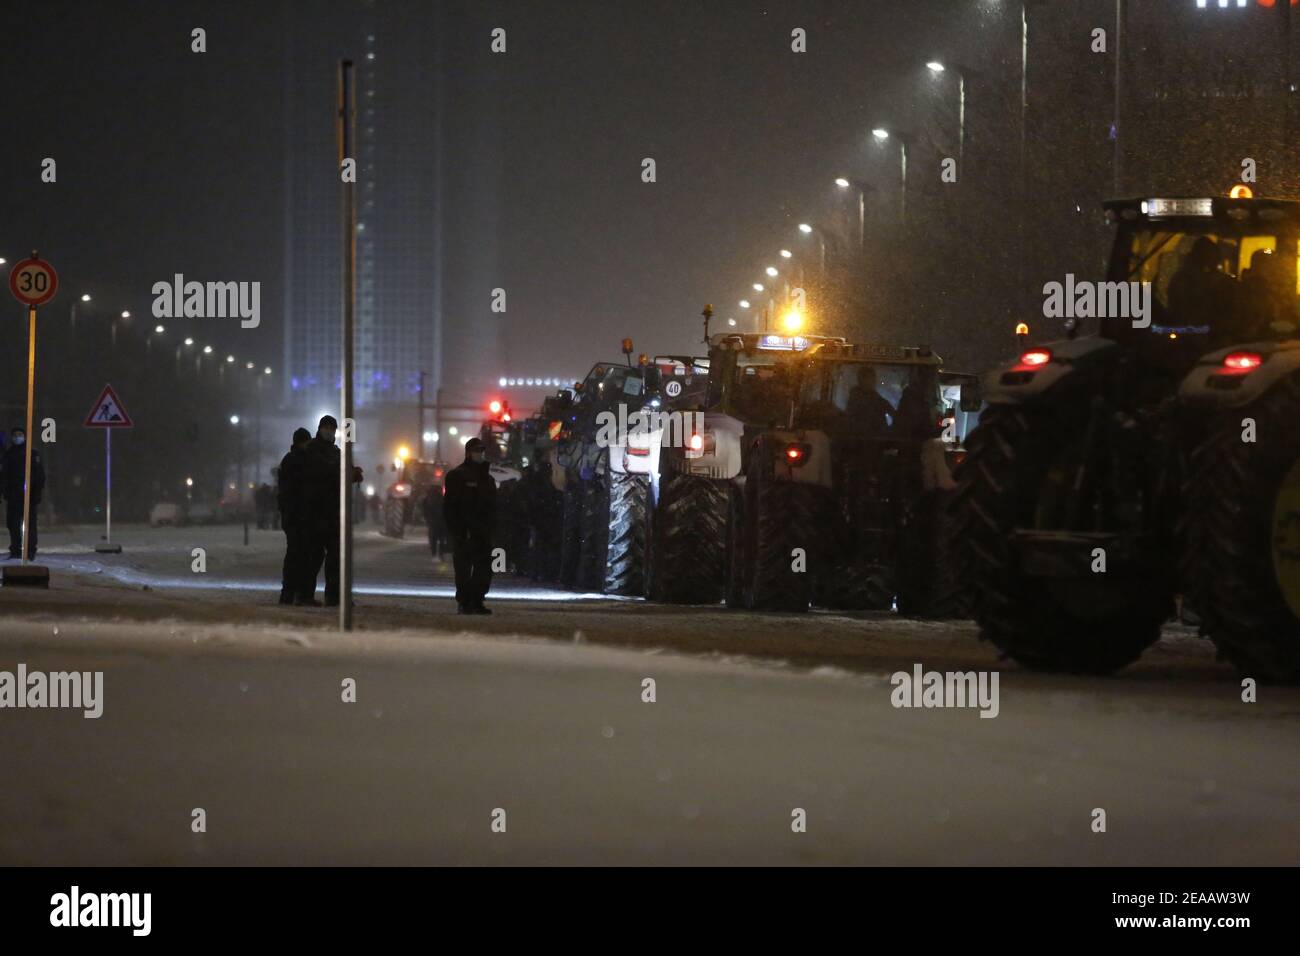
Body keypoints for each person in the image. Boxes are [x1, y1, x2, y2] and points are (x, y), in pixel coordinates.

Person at [301, 415, 363, 607]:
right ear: (320, 429)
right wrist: (346, 473)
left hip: (334, 512)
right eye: (326, 427)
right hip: (316, 511)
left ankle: (333, 596)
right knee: (314, 556)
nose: (328, 430)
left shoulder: (336, 452)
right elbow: (325, 472)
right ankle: (304, 595)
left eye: (331, 428)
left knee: (336, 556)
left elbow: (341, 472)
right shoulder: (312, 450)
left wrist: (353, 474)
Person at [443, 437, 497, 614]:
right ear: (468, 453)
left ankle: (477, 600)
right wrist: (457, 530)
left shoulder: (487, 479)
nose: (480, 454)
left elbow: (493, 505)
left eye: (482, 450)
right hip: (464, 531)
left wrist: (492, 527)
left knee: (484, 568)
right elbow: (450, 506)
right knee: (463, 569)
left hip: (482, 531)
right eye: (476, 451)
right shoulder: (456, 476)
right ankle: (465, 602)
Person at [277, 428, 312, 605]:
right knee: (300, 555)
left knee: (294, 554)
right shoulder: (303, 460)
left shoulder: (288, 459)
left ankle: (289, 593)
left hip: (291, 514)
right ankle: (297, 593)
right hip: (299, 514)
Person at [0, 427, 45, 560]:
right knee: (13, 524)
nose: (17, 437)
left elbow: (39, 475)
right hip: (12, 495)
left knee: (30, 524)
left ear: (25, 437)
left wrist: (37, 493)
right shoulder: (8, 455)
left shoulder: (32, 453)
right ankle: (15, 550)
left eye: (20, 435)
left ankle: (30, 551)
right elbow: (3, 475)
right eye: (15, 435)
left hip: (29, 496)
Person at [845, 366, 893, 437]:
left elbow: (894, 414)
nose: (873, 382)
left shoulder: (878, 400)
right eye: (869, 378)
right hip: (860, 439)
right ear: (861, 380)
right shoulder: (855, 399)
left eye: (873, 379)